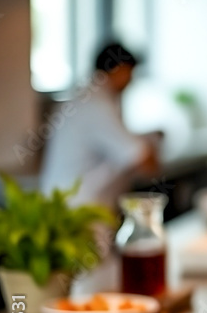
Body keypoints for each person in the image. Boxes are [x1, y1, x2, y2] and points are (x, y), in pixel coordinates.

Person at [40, 42, 159, 209]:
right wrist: (152, 146)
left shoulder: (87, 95)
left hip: (69, 202)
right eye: (130, 73)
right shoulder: (97, 105)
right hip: (76, 208)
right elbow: (143, 161)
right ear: (119, 69)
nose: (131, 80)